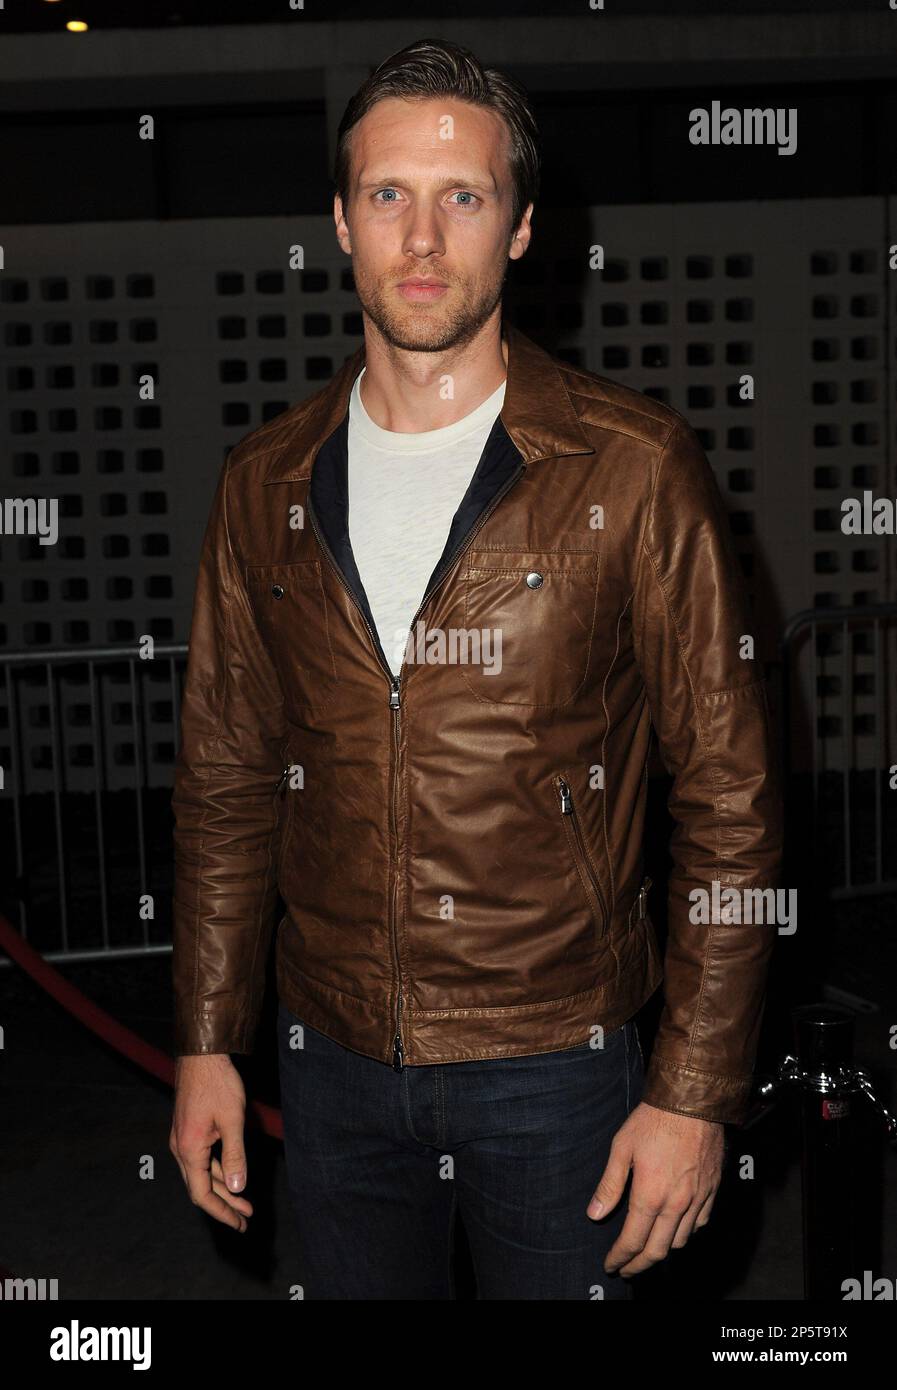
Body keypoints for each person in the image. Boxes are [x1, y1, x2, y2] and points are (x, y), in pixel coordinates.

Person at [169, 37, 784, 1300]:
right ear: (339, 220)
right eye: (390, 194)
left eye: (465, 197)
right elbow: (227, 785)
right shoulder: (265, 482)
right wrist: (207, 1043)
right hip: (330, 1064)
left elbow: (731, 799)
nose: (424, 237)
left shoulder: (631, 467)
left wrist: (697, 1091)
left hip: (559, 1067)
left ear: (520, 229)